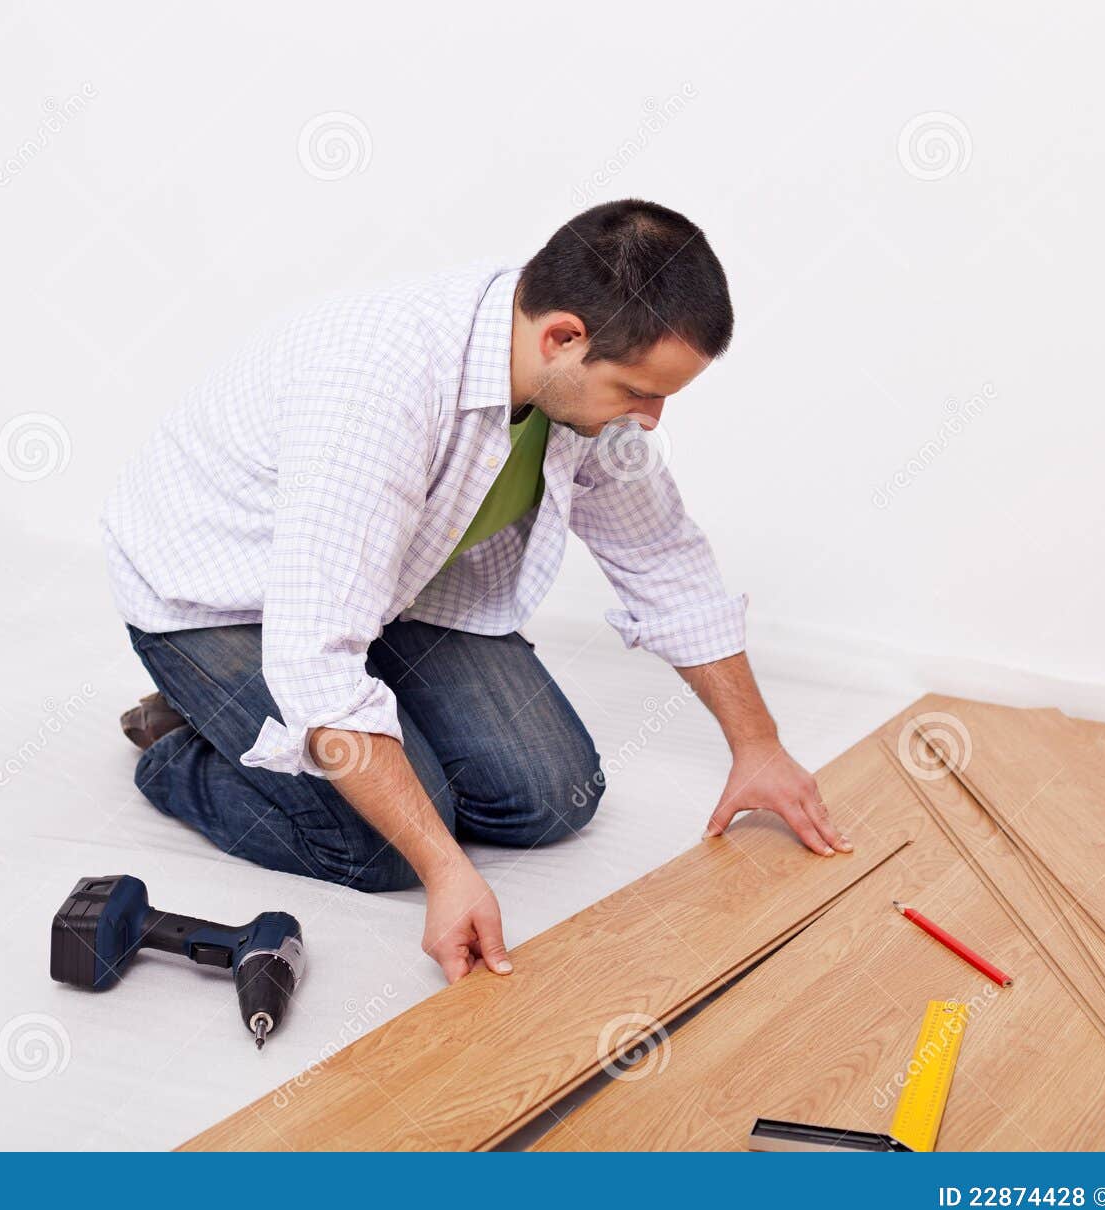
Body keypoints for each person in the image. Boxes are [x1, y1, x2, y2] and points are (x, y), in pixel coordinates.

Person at [101, 199, 849, 984]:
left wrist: (757, 745)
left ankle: (296, 736)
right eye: (637, 391)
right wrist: (442, 868)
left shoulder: (575, 385)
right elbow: (317, 659)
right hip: (221, 600)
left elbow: (660, 555)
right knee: (380, 848)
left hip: (388, 586)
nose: (652, 419)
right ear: (563, 336)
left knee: (556, 796)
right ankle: (184, 747)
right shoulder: (378, 384)